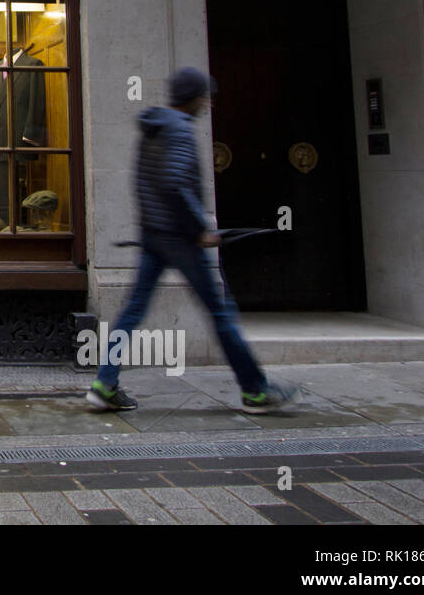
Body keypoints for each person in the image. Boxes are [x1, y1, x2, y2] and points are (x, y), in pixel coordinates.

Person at [86, 67, 298, 415]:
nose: (208, 103)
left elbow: (144, 184)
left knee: (132, 312)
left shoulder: (152, 129)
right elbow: (174, 184)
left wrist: (152, 225)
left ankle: (104, 384)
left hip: (153, 235)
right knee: (220, 312)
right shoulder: (180, 131)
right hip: (180, 239)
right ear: (194, 98)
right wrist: (201, 228)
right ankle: (256, 391)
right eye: (205, 97)